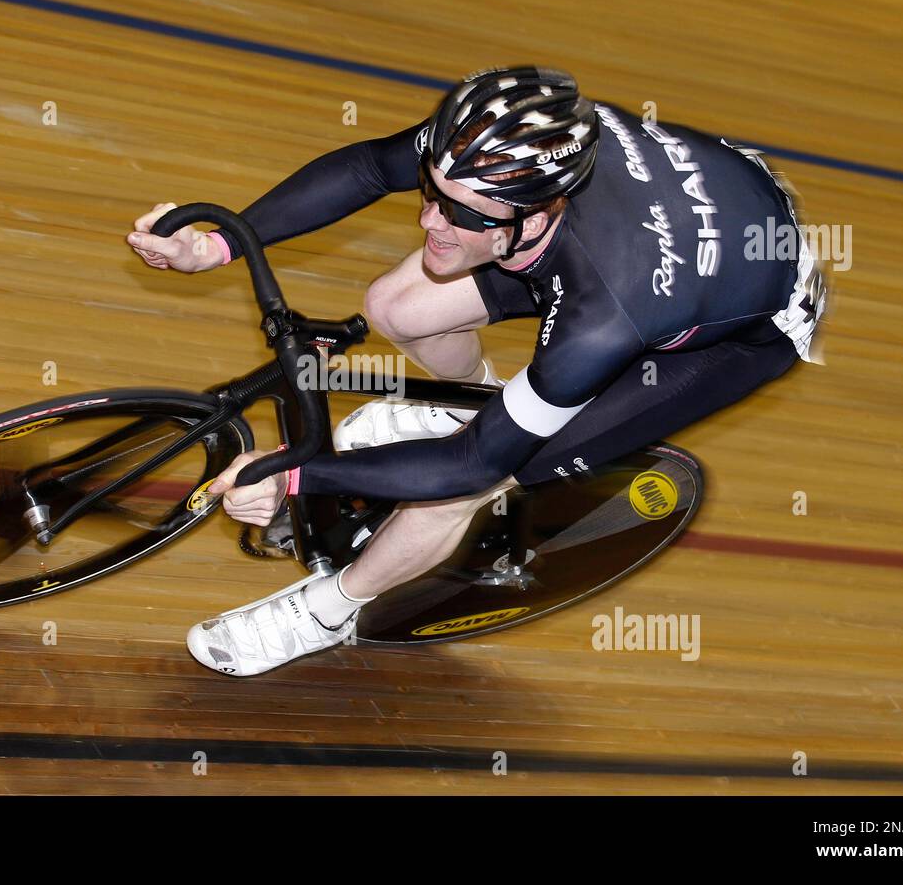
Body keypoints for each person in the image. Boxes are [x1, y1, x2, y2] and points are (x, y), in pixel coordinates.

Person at [127, 66, 825, 677]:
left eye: (460, 213)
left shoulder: (603, 317)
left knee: (470, 481)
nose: (431, 218)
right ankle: (491, 401)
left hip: (729, 329)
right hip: (668, 220)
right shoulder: (499, 146)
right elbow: (371, 167)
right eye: (430, 191)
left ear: (535, 212)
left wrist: (296, 475)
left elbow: (464, 467)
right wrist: (215, 246)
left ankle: (329, 612)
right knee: (395, 305)